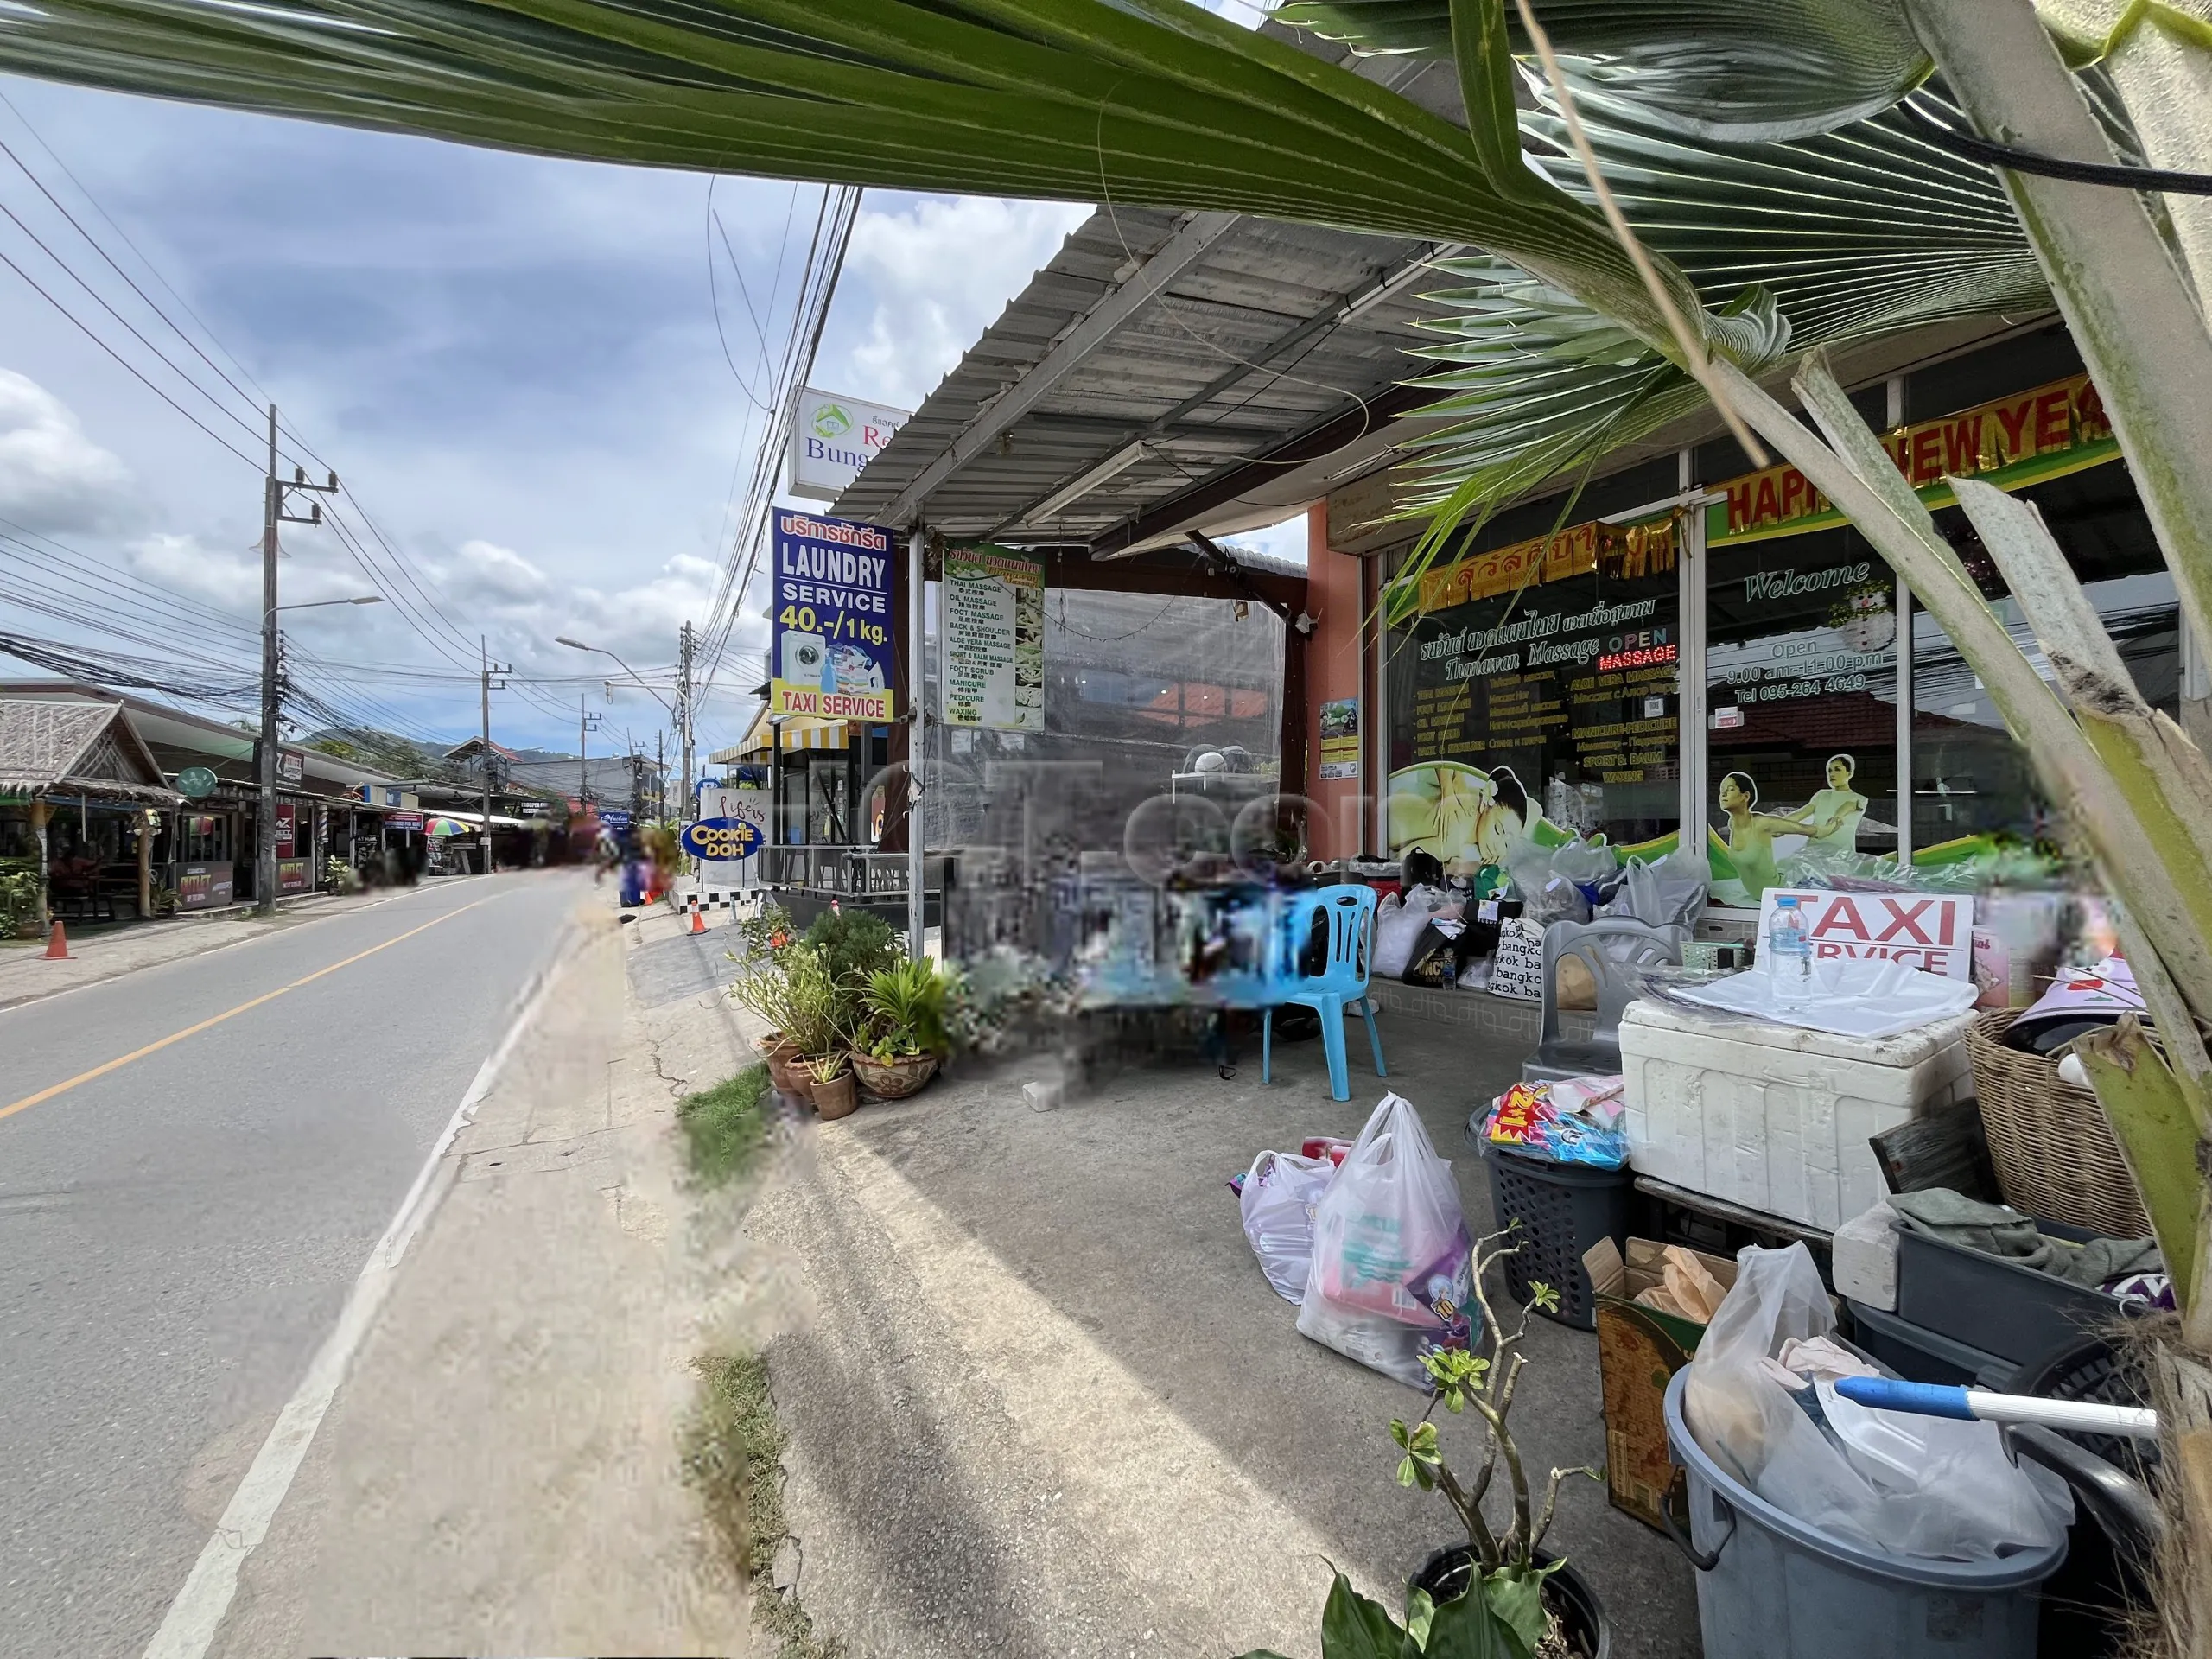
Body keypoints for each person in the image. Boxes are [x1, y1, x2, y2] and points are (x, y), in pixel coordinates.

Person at [1718, 771, 1803, 902]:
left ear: (1745, 796)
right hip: (1755, 900)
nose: (1723, 794)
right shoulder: (1733, 824)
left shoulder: (1761, 823)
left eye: (1729, 790)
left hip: (1778, 897)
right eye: (1721, 790)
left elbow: (1806, 830)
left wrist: (1831, 826)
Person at [1782, 753, 1869, 855]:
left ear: (1849, 773)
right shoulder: (1822, 794)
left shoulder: (1860, 799)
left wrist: (1833, 822)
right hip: (1812, 852)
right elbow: (1801, 813)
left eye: (1837, 769)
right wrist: (1778, 824)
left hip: (1840, 855)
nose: (1832, 774)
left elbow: (1846, 807)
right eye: (1830, 771)